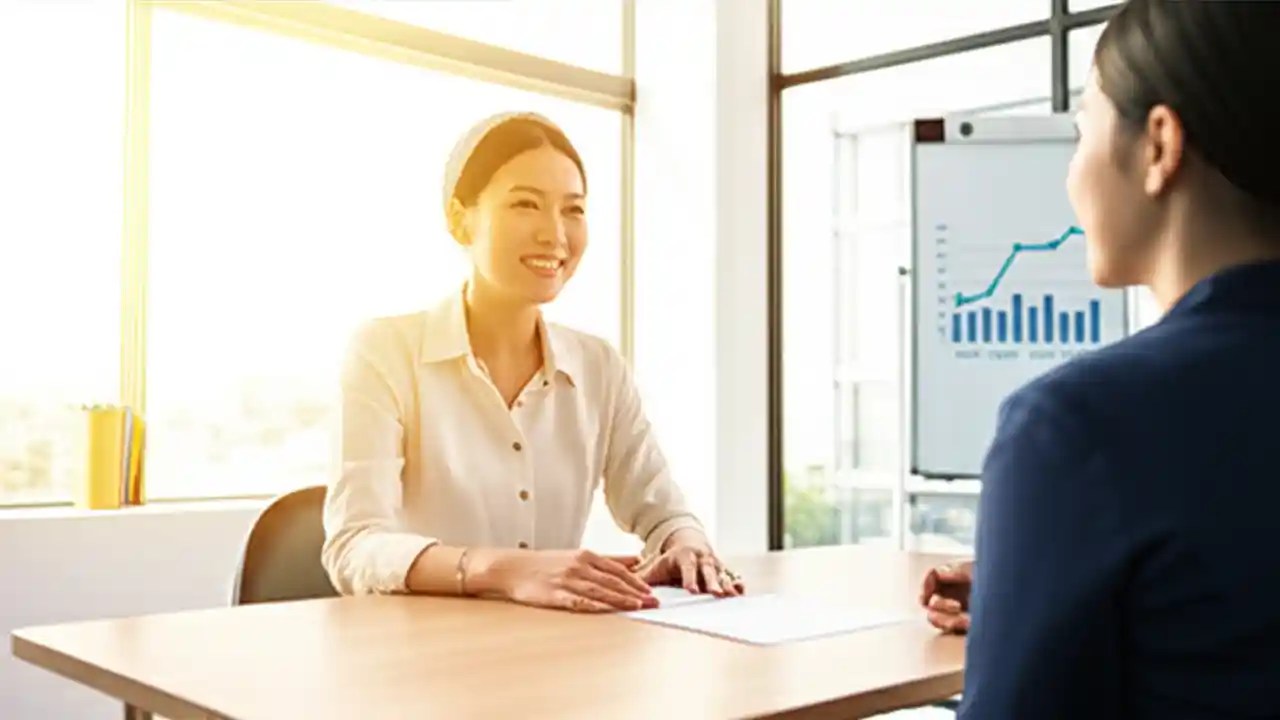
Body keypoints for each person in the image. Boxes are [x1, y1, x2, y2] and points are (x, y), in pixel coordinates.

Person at [945, 1, 1280, 717]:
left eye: (1081, 130)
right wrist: (1042, 585)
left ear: (1158, 144)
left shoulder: (1077, 428)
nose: (1071, 178)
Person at [321, 111, 742, 612]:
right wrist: (503, 570)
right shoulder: (384, 351)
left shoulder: (598, 366)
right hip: (417, 659)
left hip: (550, 654)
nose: (555, 235)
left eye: (574, 210)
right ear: (460, 219)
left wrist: (684, 543)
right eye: (525, 205)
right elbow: (354, 546)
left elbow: (663, 510)